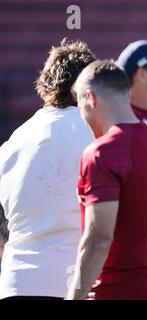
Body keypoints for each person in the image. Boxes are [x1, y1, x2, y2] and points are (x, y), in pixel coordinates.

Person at [66, 60, 147, 300]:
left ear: (90, 98)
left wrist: (74, 296)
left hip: (113, 291)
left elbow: (99, 237)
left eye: (79, 105)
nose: (82, 116)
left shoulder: (100, 152)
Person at [0, 39, 96, 300]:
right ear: (89, 88)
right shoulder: (99, 135)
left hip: (15, 284)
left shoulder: (13, 142)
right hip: (77, 286)